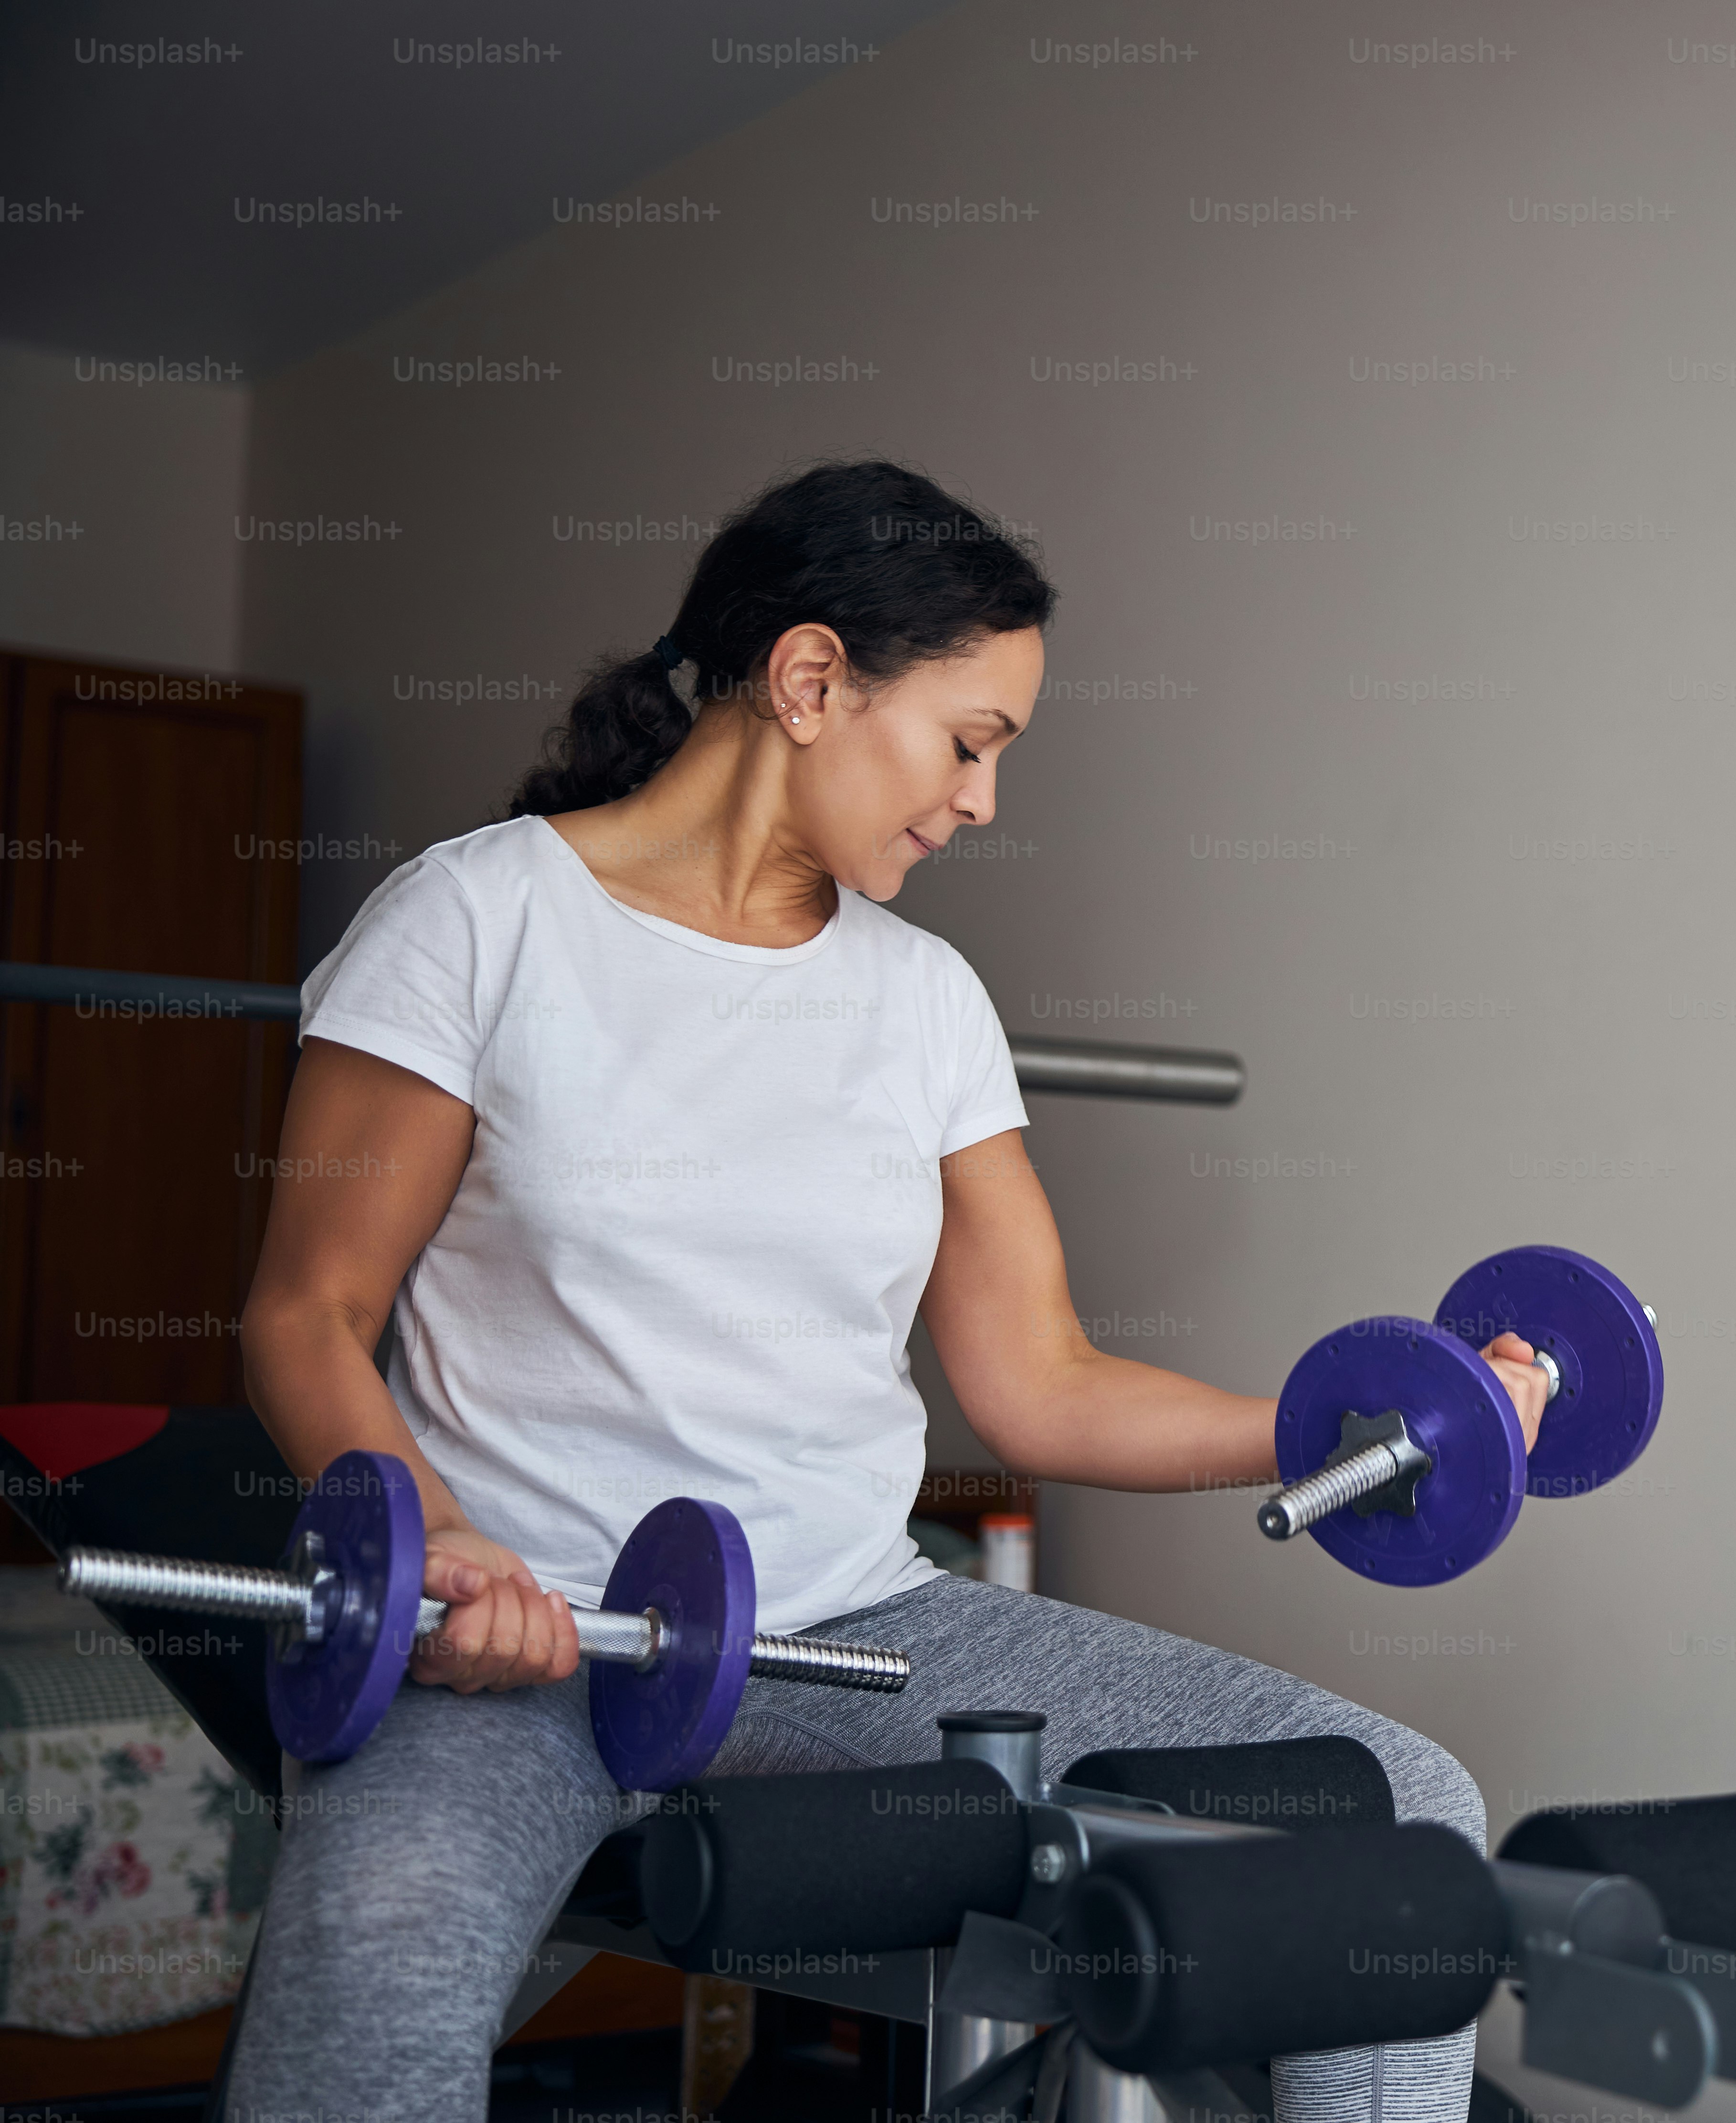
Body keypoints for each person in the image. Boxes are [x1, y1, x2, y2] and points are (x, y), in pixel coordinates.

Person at [226, 460, 1544, 2122]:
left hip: (847, 1636)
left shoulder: (927, 1003)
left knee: (1402, 1810)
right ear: (808, 680)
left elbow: (1040, 1381)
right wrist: (441, 1548)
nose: (983, 803)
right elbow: (308, 1314)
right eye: (971, 743)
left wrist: (1370, 1425)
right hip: (520, 1642)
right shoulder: (477, 919)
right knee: (372, 1980)